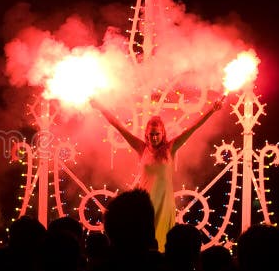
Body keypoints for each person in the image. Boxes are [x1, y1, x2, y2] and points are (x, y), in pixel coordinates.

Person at [91, 96, 224, 252]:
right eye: (151, 134)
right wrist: (101, 107)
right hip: (146, 201)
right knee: (144, 238)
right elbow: (119, 126)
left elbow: (193, 128)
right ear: (146, 135)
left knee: (161, 240)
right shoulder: (142, 148)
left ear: (163, 134)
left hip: (164, 202)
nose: (154, 138)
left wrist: (211, 110)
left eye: (157, 134)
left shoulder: (170, 148)